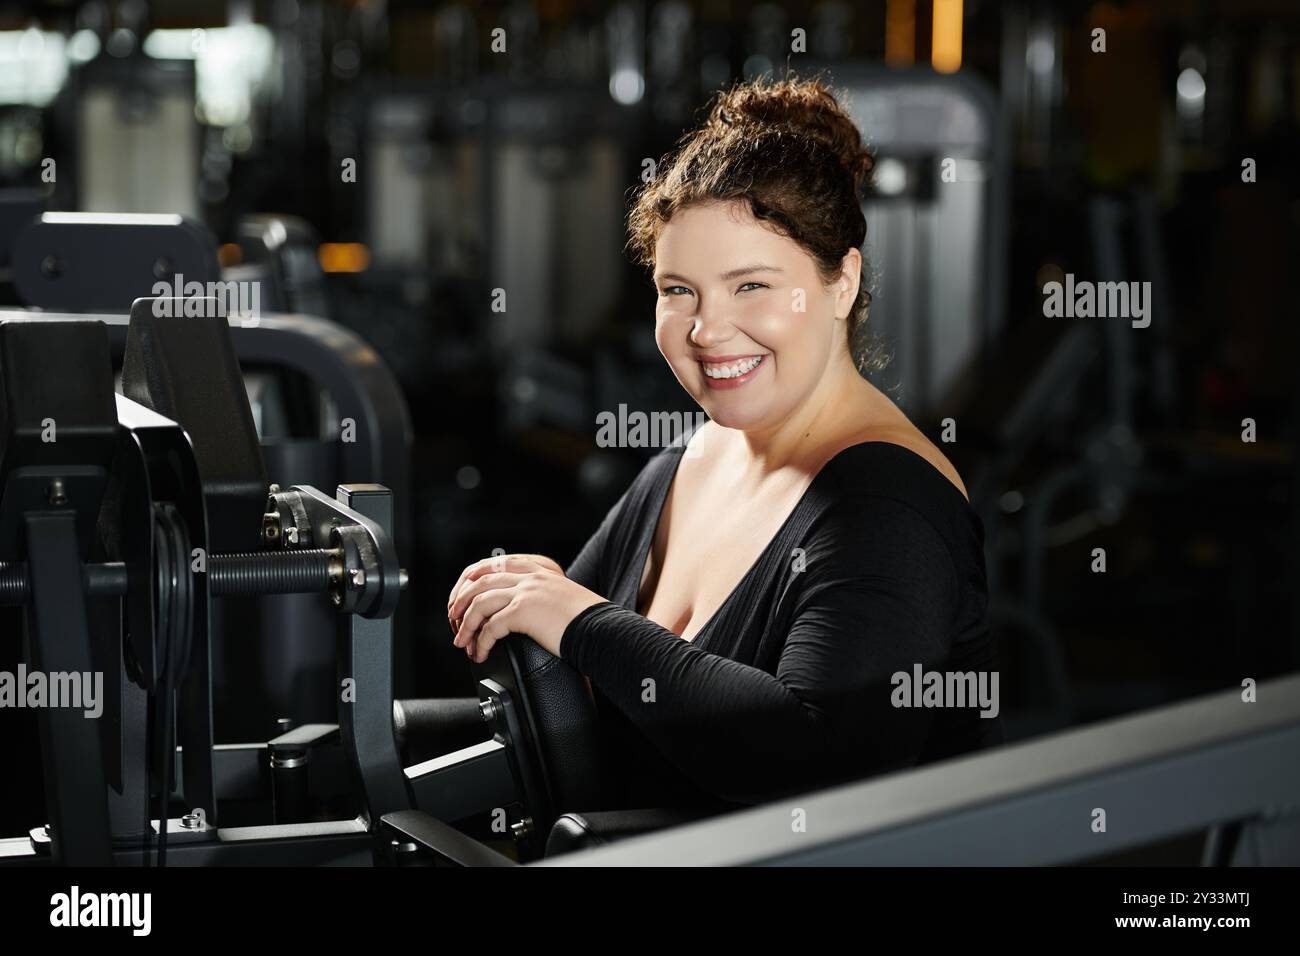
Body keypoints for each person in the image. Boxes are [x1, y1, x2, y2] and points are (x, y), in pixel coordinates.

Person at [446, 75, 1003, 815]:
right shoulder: (695, 458)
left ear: (842, 283)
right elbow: (553, 672)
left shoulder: (887, 508)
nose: (706, 330)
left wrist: (579, 620)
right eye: (678, 291)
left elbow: (814, 761)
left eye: (751, 287)